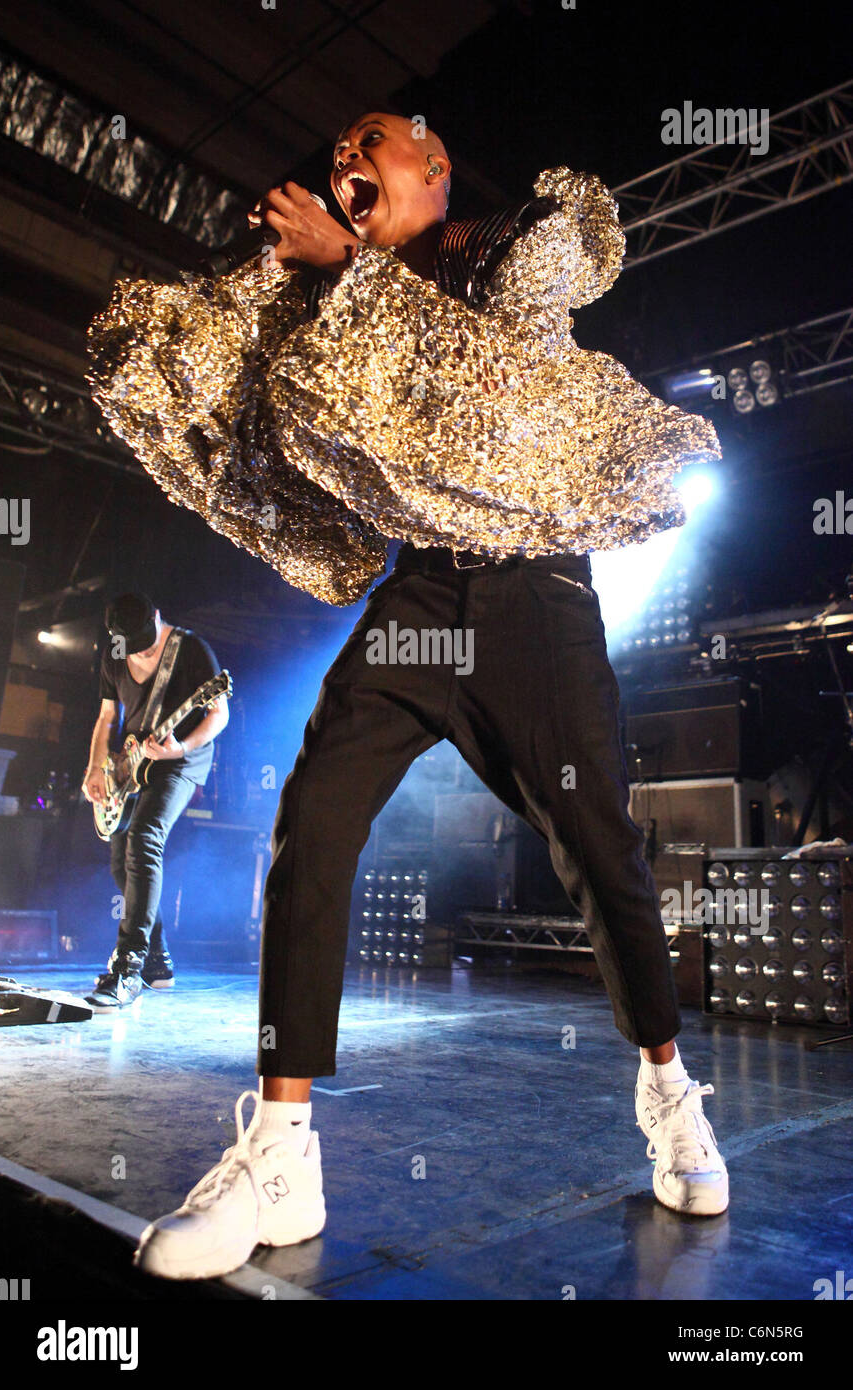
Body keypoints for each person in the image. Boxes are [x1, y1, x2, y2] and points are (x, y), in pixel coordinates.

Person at [88, 113, 727, 1280]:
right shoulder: (344, 293)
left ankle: (669, 1090)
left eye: (369, 141)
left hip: (533, 593)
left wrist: (346, 275)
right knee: (313, 817)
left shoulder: (507, 251)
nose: (346, 159)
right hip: (426, 599)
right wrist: (221, 327)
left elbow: (485, 386)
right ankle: (280, 1151)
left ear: (431, 164)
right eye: (335, 153)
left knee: (597, 847)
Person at [82, 592, 228, 1009]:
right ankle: (157, 959)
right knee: (119, 864)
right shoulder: (114, 655)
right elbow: (108, 717)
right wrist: (96, 767)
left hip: (180, 760)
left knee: (145, 838)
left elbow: (219, 714)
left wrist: (179, 748)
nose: (142, 651)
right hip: (131, 761)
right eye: (133, 645)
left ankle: (127, 966)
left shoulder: (193, 650)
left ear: (157, 617)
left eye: (147, 641)